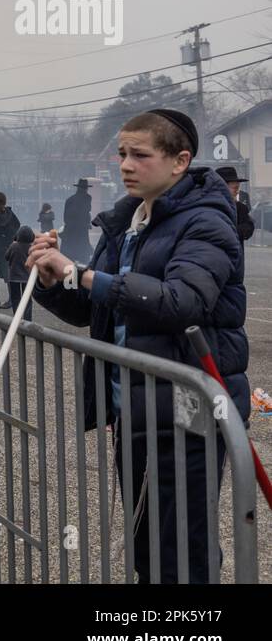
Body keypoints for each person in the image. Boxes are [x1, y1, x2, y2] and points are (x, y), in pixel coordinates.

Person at [27, 108, 250, 584]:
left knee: (181, 551)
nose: (126, 165)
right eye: (122, 154)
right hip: (134, 407)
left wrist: (80, 273)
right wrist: (52, 279)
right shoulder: (127, 221)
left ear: (179, 161)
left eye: (140, 155)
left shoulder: (208, 222)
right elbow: (97, 311)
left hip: (188, 410)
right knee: (147, 545)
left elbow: (182, 302)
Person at [4, 225, 35, 320]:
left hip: (13, 277)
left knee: (15, 299)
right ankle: (27, 319)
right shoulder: (32, 248)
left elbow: (6, 257)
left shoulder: (14, 246)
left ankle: (17, 318)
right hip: (27, 278)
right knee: (27, 300)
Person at [215, 167, 254, 242]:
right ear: (223, 187)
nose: (237, 191)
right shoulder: (207, 206)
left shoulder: (241, 208)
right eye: (235, 188)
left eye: (238, 187)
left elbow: (248, 228)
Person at [62, 179, 93, 264]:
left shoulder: (69, 200)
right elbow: (87, 212)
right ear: (86, 188)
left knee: (70, 257)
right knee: (83, 256)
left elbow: (65, 218)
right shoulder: (87, 198)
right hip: (82, 230)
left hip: (70, 230)